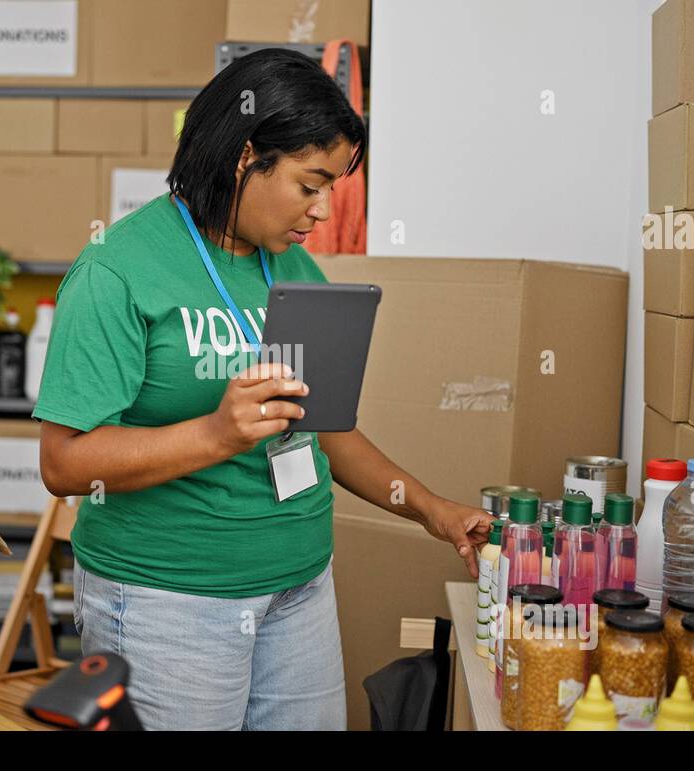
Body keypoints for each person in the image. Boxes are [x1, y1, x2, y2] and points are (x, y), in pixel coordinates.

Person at [33, 48, 493, 730]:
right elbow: (63, 462)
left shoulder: (295, 268)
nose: (323, 208)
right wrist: (215, 434)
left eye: (333, 186)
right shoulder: (118, 270)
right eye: (310, 184)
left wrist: (428, 507)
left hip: (299, 589)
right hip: (173, 601)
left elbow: (323, 425)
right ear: (246, 155)